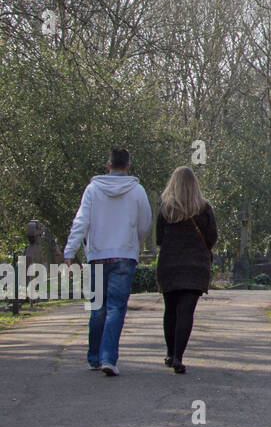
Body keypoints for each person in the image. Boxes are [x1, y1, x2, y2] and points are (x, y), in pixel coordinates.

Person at [63, 148, 153, 377]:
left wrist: (70, 251)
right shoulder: (137, 191)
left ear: (108, 165)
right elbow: (145, 224)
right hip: (124, 256)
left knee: (97, 307)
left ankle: (94, 357)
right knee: (116, 307)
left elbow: (81, 221)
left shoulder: (93, 190)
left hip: (98, 255)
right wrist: (135, 243)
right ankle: (108, 358)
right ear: (128, 166)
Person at [154, 166, 217, 374]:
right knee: (186, 312)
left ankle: (170, 353)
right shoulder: (205, 209)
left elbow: (159, 239)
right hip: (195, 267)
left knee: (170, 310)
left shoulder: (166, 210)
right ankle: (179, 356)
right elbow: (212, 238)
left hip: (169, 265)